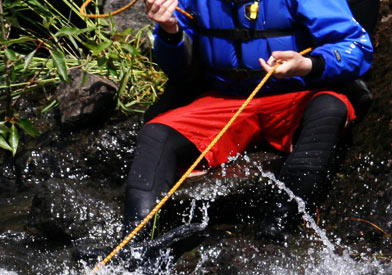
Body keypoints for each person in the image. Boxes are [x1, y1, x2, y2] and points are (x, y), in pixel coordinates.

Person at [125, 0, 374, 245]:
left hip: (298, 94)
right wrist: (170, 32)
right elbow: (179, 71)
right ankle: (135, 242)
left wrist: (308, 64)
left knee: (330, 110)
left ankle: (278, 226)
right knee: (158, 133)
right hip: (227, 99)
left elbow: (357, 47)